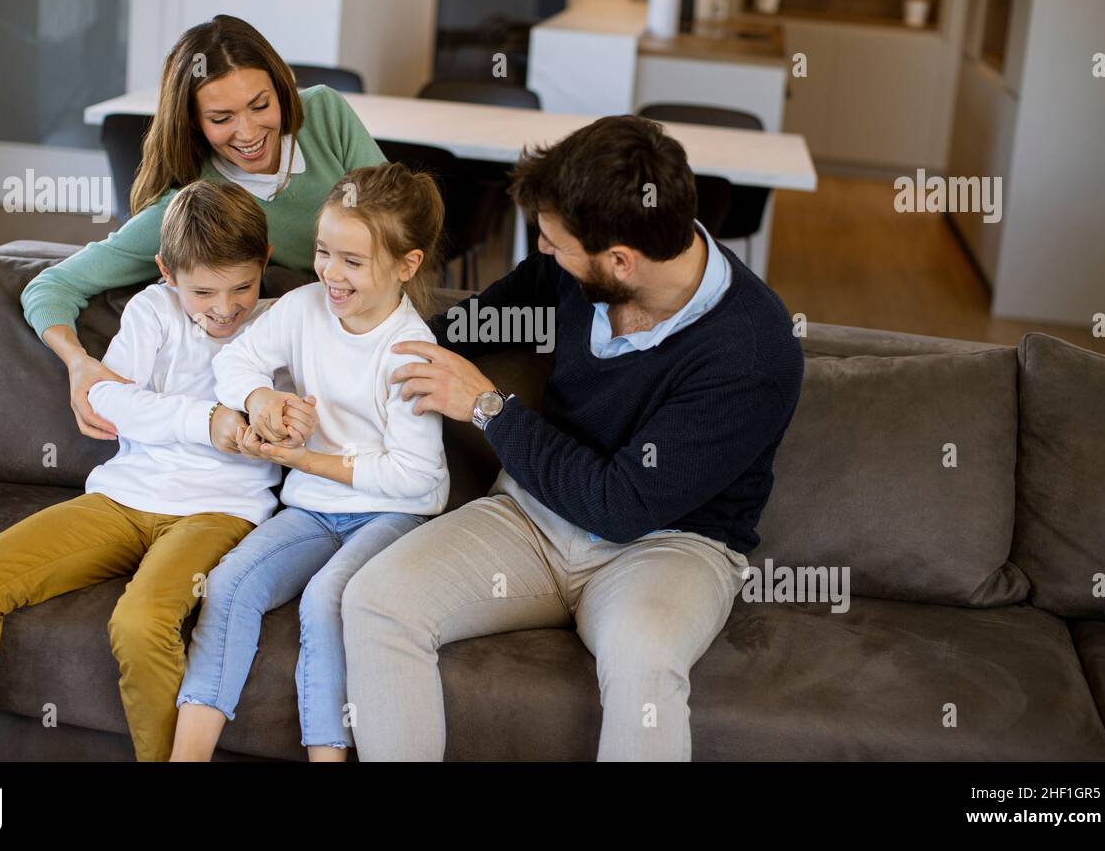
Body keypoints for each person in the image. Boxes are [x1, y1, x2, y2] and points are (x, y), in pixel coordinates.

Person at [342, 115, 805, 761]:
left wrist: (488, 407)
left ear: (621, 262)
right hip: (532, 516)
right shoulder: (569, 274)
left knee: (646, 660)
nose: (545, 252)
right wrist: (369, 357)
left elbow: (620, 505)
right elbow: (476, 325)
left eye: (556, 243)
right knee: (375, 600)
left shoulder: (753, 351)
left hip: (668, 545)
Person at [0, 180, 317, 762]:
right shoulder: (153, 309)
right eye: (203, 291)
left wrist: (280, 426)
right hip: (121, 500)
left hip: (219, 512)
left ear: (265, 264)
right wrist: (210, 422)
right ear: (167, 273)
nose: (226, 308)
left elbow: (300, 415)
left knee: (140, 622)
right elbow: (110, 399)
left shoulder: (285, 322)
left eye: (242, 287)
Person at [170, 163, 450, 762]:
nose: (331, 273)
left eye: (353, 261)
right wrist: (261, 397)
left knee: (327, 599)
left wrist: (305, 459)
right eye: (325, 252)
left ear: (407, 265)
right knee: (230, 583)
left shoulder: (410, 352)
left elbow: (415, 477)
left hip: (393, 514)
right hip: (314, 512)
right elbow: (235, 363)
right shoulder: (303, 308)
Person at [20, 14, 386, 443]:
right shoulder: (193, 208)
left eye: (260, 105)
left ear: (281, 91)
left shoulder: (325, 113)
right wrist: (78, 362)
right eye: (221, 118)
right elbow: (51, 287)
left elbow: (395, 225)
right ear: (193, 121)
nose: (248, 132)